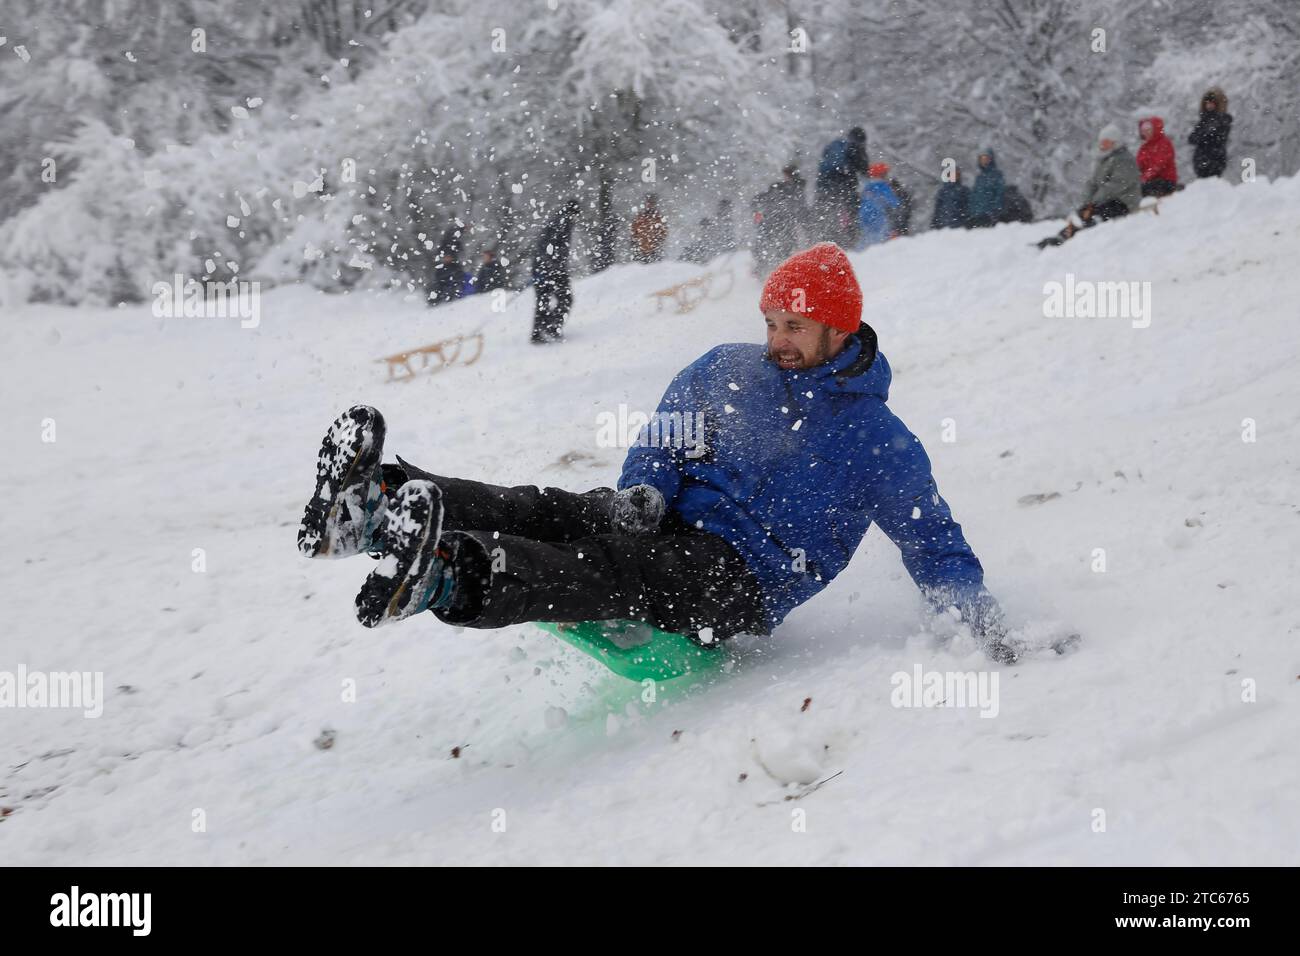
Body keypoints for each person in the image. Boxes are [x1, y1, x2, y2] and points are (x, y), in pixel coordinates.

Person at [296, 243, 1019, 663]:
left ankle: (449, 578)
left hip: (744, 578)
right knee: (549, 509)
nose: (776, 340)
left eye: (794, 325)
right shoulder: (730, 369)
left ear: (839, 327)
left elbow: (934, 542)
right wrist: (644, 488)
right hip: (668, 517)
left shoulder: (879, 443)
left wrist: (977, 619)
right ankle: (374, 507)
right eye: (771, 321)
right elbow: (667, 437)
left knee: (614, 567)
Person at [1036, 124, 1141, 249]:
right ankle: (1063, 236)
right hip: (1104, 199)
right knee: (1082, 213)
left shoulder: (1124, 160)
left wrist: (1094, 202)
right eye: (1101, 142)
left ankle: (1081, 238)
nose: (1102, 145)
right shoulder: (1103, 159)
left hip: (1123, 200)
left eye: (1106, 142)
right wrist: (1087, 202)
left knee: (1098, 213)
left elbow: (1115, 186)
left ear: (1115, 143)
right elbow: (1092, 182)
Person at [530, 199, 580, 343]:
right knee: (563, 299)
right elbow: (546, 246)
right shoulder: (562, 222)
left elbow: (547, 245)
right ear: (572, 213)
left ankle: (542, 331)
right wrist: (550, 265)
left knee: (544, 300)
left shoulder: (561, 220)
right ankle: (548, 328)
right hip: (549, 269)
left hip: (547, 268)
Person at [814, 127, 870, 246]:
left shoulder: (833, 146)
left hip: (824, 187)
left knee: (827, 214)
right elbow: (864, 169)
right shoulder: (855, 147)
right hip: (844, 185)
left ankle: (826, 240)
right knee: (852, 211)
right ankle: (850, 241)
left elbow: (822, 165)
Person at [752, 164, 809, 276]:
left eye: (786, 174)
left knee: (776, 247)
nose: (785, 177)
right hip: (777, 221)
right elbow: (802, 211)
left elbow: (801, 210)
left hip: (779, 221)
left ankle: (769, 270)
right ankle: (769, 270)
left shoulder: (788, 188)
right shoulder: (784, 187)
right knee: (778, 248)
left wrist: (758, 210)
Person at [1188, 87, 1232, 179]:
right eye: (1207, 102)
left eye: (1211, 102)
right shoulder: (1204, 120)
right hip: (1201, 160)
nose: (1209, 105)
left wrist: (1204, 136)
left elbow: (1217, 138)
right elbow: (1193, 138)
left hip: (1215, 159)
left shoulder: (1222, 120)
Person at [857, 163, 900, 247]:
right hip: (878, 215)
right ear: (883, 174)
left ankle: (860, 252)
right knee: (880, 237)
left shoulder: (867, 186)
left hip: (864, 214)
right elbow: (894, 202)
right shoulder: (883, 186)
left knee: (866, 236)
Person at [1136, 116, 1179, 197]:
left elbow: (1159, 164)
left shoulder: (1164, 143)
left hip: (1165, 180)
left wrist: (1145, 177)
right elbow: (1139, 164)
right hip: (1151, 181)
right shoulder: (1144, 147)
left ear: (1155, 130)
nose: (1145, 133)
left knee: (1142, 189)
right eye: (1143, 131)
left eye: (1148, 130)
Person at [967, 148, 1005, 227]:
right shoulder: (979, 177)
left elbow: (1000, 194)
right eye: (981, 159)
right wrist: (972, 212)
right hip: (977, 216)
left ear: (991, 159)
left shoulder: (996, 175)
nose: (984, 161)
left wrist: (995, 211)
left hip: (990, 216)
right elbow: (974, 196)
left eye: (986, 158)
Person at [630, 194, 668, 263]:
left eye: (651, 203)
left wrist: (658, 241)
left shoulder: (658, 217)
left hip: (654, 250)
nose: (650, 205)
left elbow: (663, 232)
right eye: (648, 203)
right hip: (641, 250)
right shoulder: (640, 217)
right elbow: (633, 231)